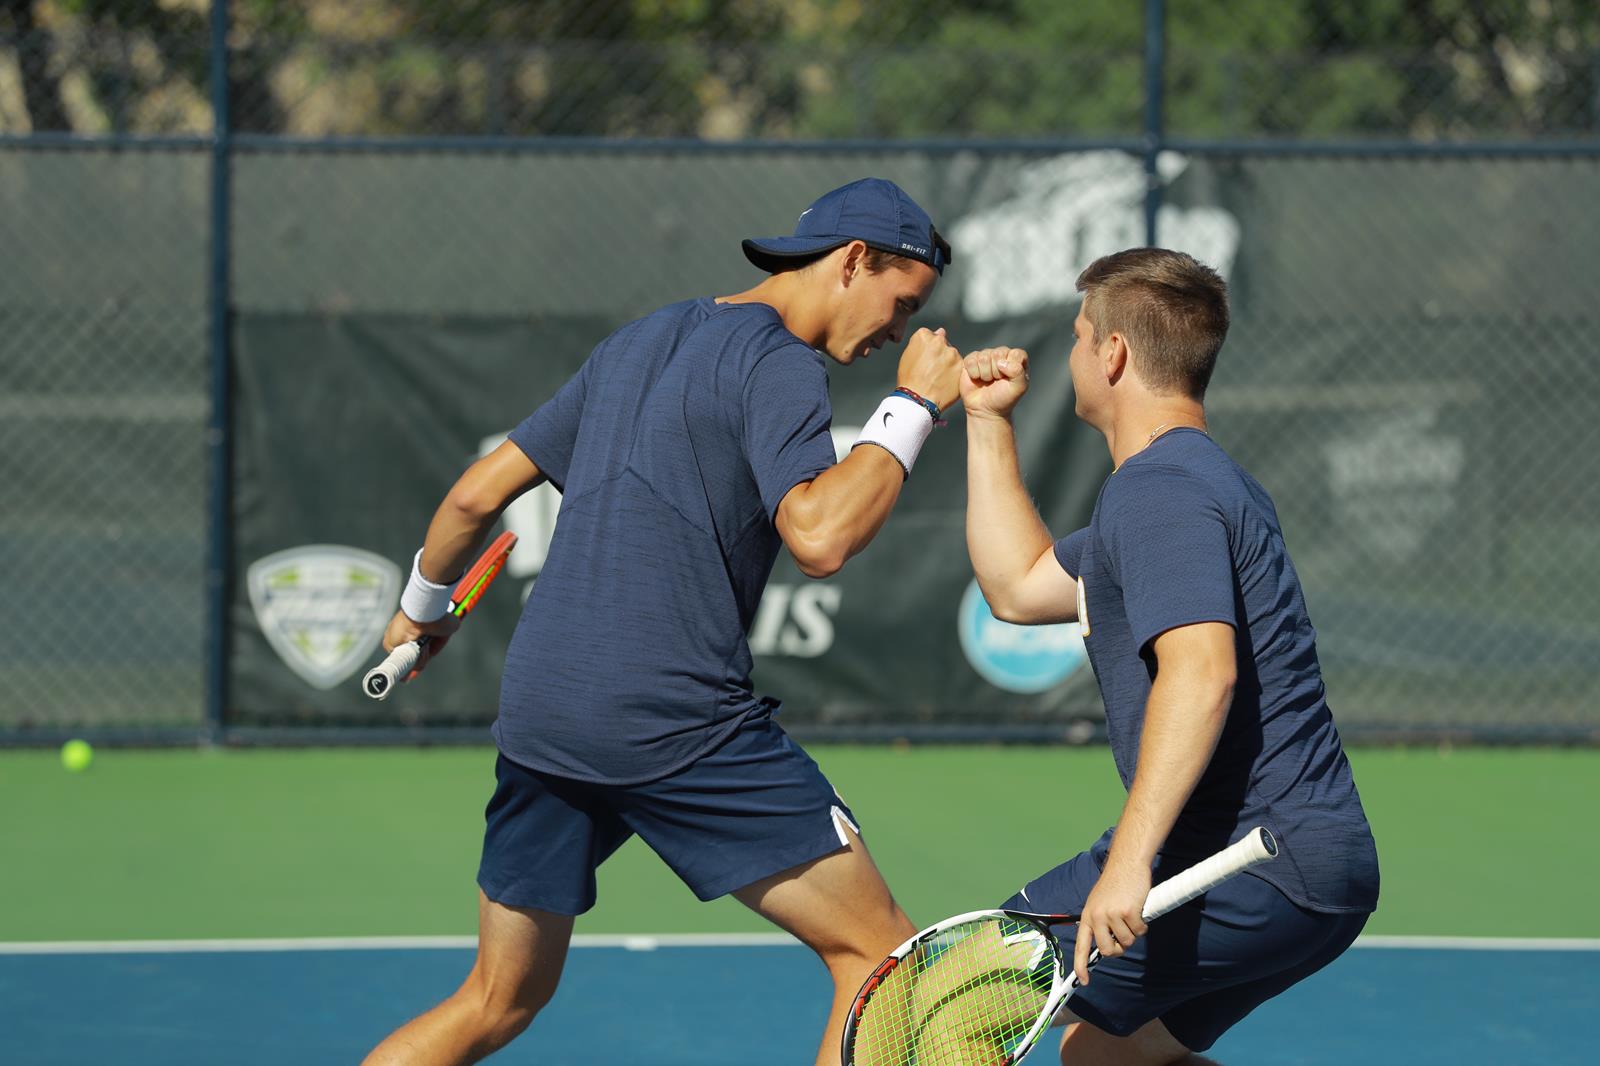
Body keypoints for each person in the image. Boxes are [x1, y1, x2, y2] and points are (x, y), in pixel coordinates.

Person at [362, 178, 964, 1066]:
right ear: (852, 262)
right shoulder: (780, 363)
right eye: (901, 303)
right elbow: (820, 536)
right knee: (880, 959)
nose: (896, 332)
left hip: (543, 711)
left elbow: (474, 496)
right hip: (670, 716)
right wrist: (912, 408)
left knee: (497, 998)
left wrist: (421, 612)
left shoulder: (640, 338)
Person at [958, 248, 1379, 1065]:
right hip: (1311, 866)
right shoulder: (1196, 482)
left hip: (1246, 860)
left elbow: (1202, 671)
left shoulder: (1159, 490)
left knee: (959, 998)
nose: (1073, 354)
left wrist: (1129, 863)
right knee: (1102, 1056)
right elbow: (1019, 586)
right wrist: (986, 420)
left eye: (1079, 336)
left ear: (1112, 354)